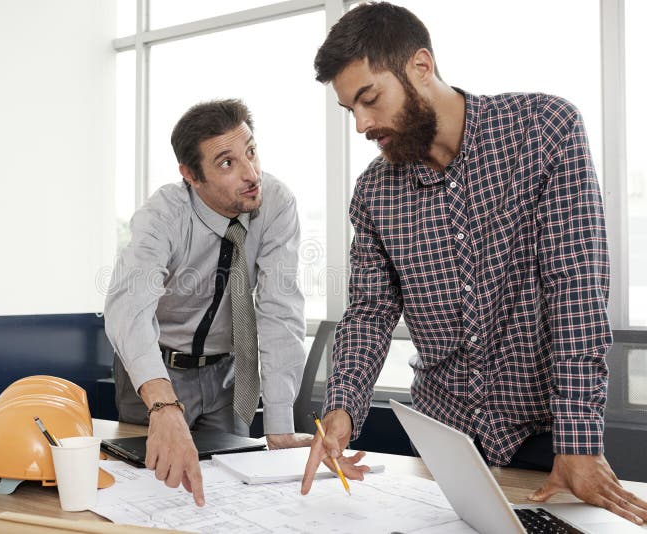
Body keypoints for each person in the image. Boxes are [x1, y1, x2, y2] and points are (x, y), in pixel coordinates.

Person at [300, 1, 647, 525]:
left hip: (550, 445)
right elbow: (370, 313)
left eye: (369, 99)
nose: (362, 125)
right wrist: (342, 408)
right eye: (351, 110)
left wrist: (577, 439)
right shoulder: (374, 192)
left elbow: (575, 291)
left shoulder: (544, 131)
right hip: (448, 450)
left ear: (420, 66)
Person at [105, 99, 310, 507]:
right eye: (226, 163)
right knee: (148, 490)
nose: (251, 174)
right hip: (157, 368)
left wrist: (281, 424)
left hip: (227, 375)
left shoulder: (277, 204)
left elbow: (279, 310)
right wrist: (163, 406)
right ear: (190, 175)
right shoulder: (163, 215)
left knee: (231, 491)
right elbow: (129, 306)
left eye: (250, 151)